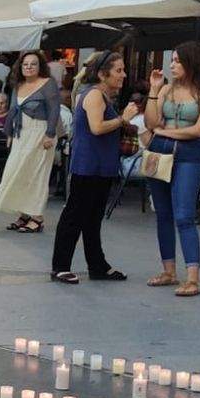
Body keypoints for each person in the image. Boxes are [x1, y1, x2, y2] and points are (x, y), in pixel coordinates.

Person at [49, 50, 138, 285]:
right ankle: (60, 266)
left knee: (92, 218)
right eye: (118, 70)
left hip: (100, 165)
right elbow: (97, 127)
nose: (123, 75)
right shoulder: (95, 95)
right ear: (102, 73)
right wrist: (124, 119)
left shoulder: (100, 96)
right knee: (76, 215)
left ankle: (97, 265)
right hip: (88, 165)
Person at [142, 41, 200, 296]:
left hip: (188, 154)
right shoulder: (165, 89)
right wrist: (154, 91)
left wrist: (165, 131)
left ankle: (193, 277)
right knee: (163, 213)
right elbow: (150, 121)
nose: (172, 65)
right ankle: (168, 271)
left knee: (185, 214)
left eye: (177, 60)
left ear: (192, 62)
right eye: (172, 60)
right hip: (160, 151)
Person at [0, 51, 63, 235]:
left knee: (36, 175)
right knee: (16, 172)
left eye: (33, 64)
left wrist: (50, 134)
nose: (29, 67)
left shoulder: (48, 83)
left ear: (40, 66)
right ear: (20, 67)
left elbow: (54, 110)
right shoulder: (18, 85)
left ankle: (36, 217)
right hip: (22, 134)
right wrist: (9, 133)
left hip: (41, 132)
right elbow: (13, 110)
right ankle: (24, 214)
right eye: (25, 64)